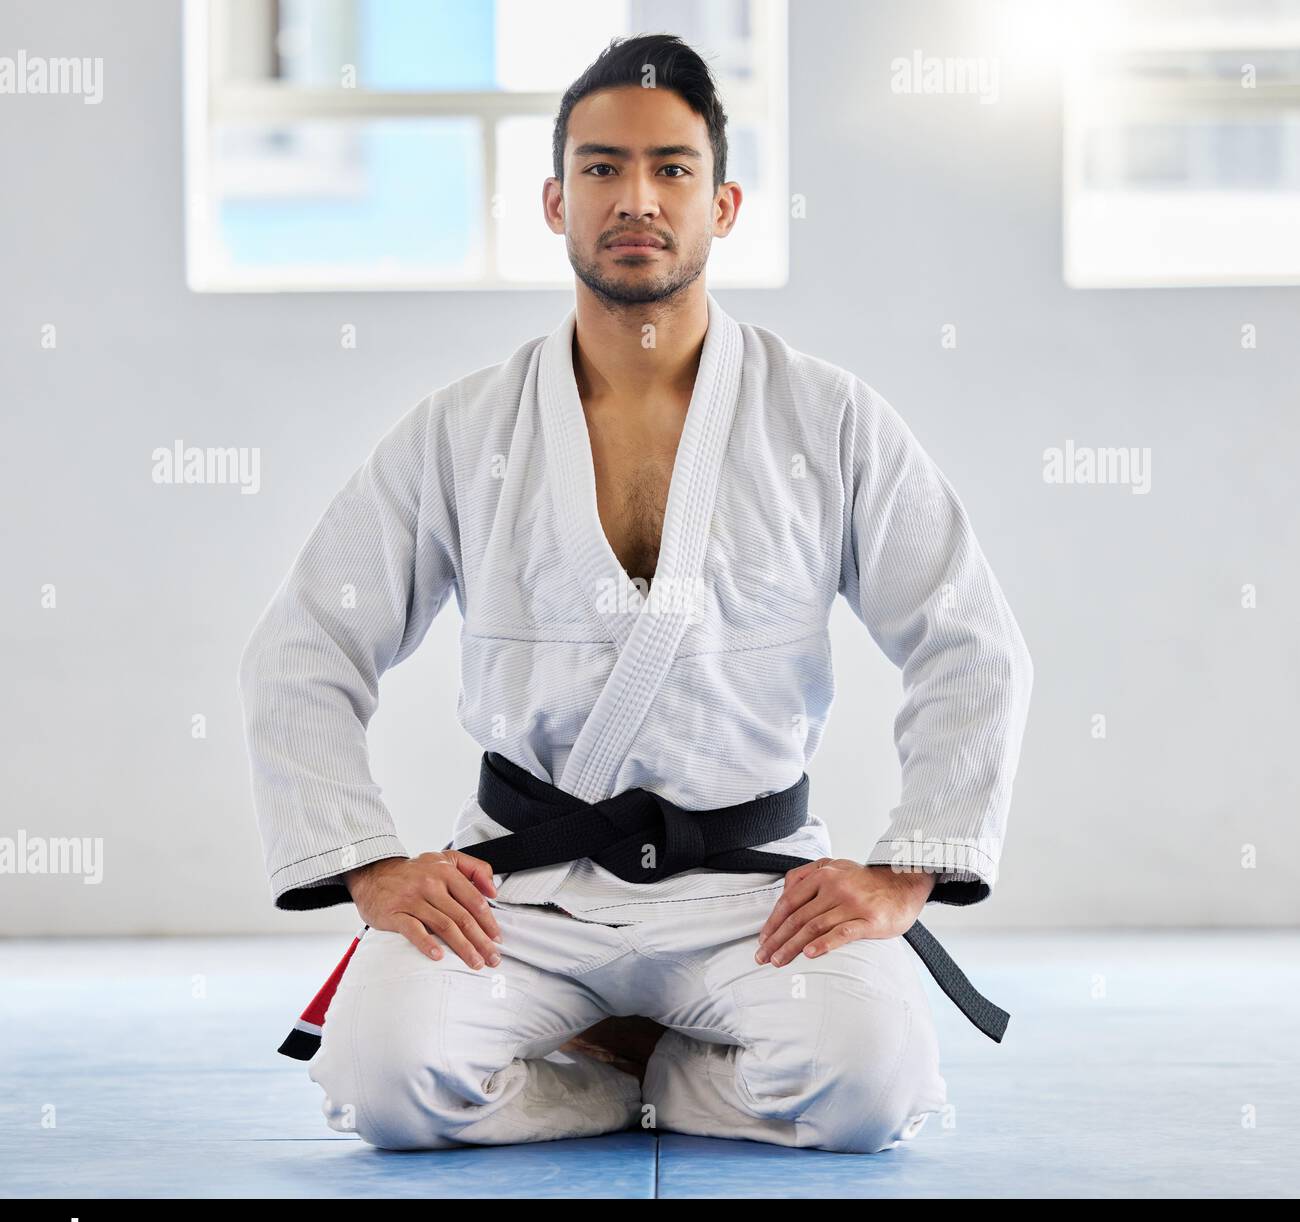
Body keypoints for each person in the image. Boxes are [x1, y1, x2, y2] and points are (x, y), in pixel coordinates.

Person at [237, 33, 1033, 1154]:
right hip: (523, 891)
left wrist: (907, 868)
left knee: (872, 1085)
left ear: (726, 202)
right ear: (557, 200)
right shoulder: (465, 430)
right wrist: (367, 861)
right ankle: (621, 1087)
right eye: (603, 169)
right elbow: (302, 647)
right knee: (380, 1079)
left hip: (751, 891)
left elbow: (971, 644)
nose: (637, 198)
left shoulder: (828, 419)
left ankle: (646, 1070)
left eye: (671, 169)